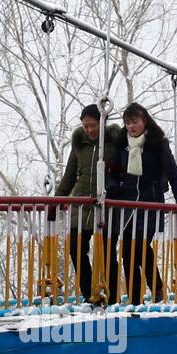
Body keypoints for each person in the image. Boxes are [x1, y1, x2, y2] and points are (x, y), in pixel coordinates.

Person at [111, 102, 177, 305]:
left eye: (135, 121)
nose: (131, 126)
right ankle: (138, 298)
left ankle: (153, 289)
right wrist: (113, 186)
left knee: (140, 247)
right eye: (128, 122)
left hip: (150, 203)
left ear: (144, 121)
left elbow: (173, 173)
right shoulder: (121, 143)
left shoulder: (157, 143)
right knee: (129, 252)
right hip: (126, 204)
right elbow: (112, 170)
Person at [54, 104, 125, 302]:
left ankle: (111, 296)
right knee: (76, 248)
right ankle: (88, 294)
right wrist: (56, 201)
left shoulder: (113, 143)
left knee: (107, 252)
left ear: (102, 122)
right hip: (82, 204)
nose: (90, 130)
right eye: (85, 126)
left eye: (93, 125)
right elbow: (69, 176)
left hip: (106, 205)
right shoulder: (80, 145)